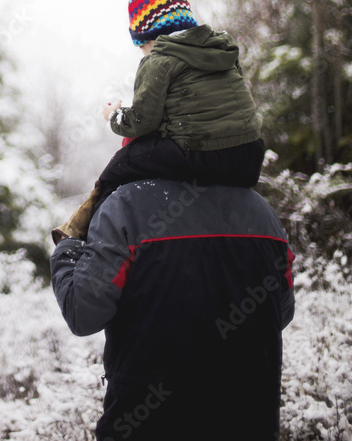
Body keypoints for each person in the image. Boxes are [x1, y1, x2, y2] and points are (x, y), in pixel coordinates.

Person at [51, 175, 295, 440]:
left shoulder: (125, 206)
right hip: (250, 423)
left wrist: (68, 246)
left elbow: (83, 313)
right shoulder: (262, 211)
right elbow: (279, 313)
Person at [52, 0, 265, 244]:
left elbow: (142, 122)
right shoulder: (222, 49)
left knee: (125, 160)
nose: (142, 52)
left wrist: (114, 115)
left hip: (204, 156)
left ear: (148, 37)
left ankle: (79, 231)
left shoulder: (159, 59)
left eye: (141, 45)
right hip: (249, 157)